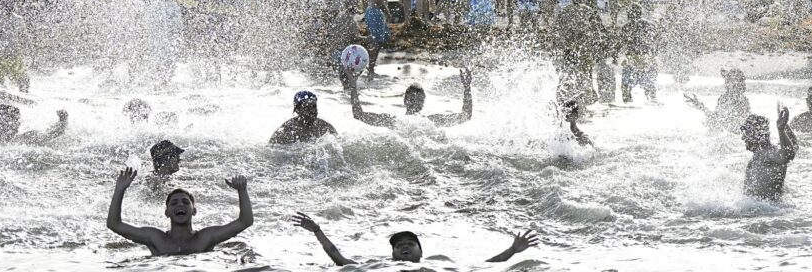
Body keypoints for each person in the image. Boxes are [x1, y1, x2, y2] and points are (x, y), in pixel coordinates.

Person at [106, 167, 253, 256]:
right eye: (174, 203)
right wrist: (119, 190)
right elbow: (114, 224)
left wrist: (242, 191)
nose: (179, 205)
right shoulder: (155, 238)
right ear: (167, 212)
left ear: (194, 211)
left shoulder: (206, 237)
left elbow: (245, 221)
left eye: (185, 202)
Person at [292, 212, 538, 265]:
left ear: (421, 251)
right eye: (399, 246)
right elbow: (340, 259)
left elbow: (484, 265)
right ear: (393, 254)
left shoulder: (438, 262)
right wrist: (317, 231)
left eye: (409, 244)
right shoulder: (382, 266)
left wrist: (512, 251)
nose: (404, 248)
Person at [348, 67, 473, 128]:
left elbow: (466, 116)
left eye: (418, 101)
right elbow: (359, 115)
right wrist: (353, 85)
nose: (415, 104)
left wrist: (467, 88)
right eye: (412, 100)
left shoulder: (432, 120)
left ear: (423, 103)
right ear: (405, 101)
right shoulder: (392, 120)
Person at [741, 105, 798, 200]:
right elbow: (795, 146)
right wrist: (785, 128)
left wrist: (781, 130)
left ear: (758, 134)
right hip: (764, 210)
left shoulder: (768, 153)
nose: (743, 138)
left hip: (766, 212)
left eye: (747, 133)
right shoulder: (759, 154)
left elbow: (788, 154)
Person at [685, 69, 751, 133]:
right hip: (722, 134)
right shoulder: (723, 98)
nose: (729, 83)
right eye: (728, 80)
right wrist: (700, 106)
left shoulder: (742, 101)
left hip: (731, 136)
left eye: (735, 81)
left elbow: (736, 124)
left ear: (740, 83)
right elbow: (716, 117)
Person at [0, 105, 68, 145]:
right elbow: (54, 133)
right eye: (15, 120)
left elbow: (53, 133)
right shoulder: (21, 140)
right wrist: (63, 121)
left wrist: (63, 121)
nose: (19, 123)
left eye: (18, 119)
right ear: (1, 122)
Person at [269, 90, 338, 144]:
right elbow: (271, 148)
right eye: (307, 107)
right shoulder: (286, 130)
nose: (312, 111)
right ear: (297, 110)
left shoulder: (325, 127)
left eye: (314, 107)